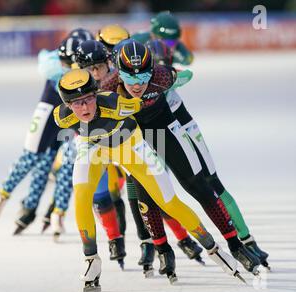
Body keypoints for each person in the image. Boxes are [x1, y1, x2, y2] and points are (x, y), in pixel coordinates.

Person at [53, 69, 246, 292]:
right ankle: (91, 260)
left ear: (96, 95)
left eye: (88, 100)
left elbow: (147, 101)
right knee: (82, 197)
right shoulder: (61, 116)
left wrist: (168, 79)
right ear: (67, 104)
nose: (84, 108)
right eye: (76, 103)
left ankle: (213, 248)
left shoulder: (117, 104)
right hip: (94, 146)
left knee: (168, 202)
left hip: (129, 147)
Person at [100, 40, 262, 274]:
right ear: (118, 73)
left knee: (198, 184)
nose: (137, 86)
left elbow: (186, 74)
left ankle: (235, 245)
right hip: (135, 134)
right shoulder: (108, 86)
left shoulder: (163, 76)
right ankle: (163, 250)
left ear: (152, 72)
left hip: (163, 124)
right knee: (145, 192)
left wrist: (181, 75)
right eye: (131, 79)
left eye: (143, 79)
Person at [76, 39, 205, 273]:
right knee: (107, 194)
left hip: (131, 138)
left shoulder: (116, 78)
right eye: (89, 69)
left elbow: (178, 73)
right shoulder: (85, 87)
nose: (95, 72)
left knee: (148, 190)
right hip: (100, 141)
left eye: (99, 67)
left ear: (110, 63)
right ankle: (119, 240)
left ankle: (172, 240)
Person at [146, 37, 271, 269]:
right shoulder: (135, 75)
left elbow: (187, 70)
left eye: (156, 69)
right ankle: (169, 241)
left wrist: (171, 72)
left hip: (183, 130)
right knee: (156, 191)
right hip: (156, 136)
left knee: (211, 183)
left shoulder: (161, 74)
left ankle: (246, 241)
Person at [0, 34, 84, 240]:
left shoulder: (80, 71)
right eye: (63, 65)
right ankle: (30, 206)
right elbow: (30, 154)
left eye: (70, 66)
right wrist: (2, 194)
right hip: (53, 105)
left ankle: (56, 211)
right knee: (39, 157)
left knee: (69, 159)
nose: (66, 69)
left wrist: (60, 210)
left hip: (75, 107)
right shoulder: (52, 71)